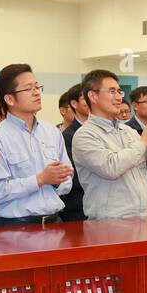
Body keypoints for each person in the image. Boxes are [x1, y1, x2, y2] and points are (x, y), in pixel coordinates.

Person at [0, 64, 74, 226]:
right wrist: (41, 179)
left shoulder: (51, 131)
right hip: (16, 226)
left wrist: (56, 181)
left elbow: (68, 179)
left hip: (54, 222)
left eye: (37, 87)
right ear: (9, 99)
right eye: (29, 88)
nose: (36, 92)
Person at [70, 69, 147, 220]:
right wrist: (144, 141)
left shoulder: (128, 131)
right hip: (109, 222)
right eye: (112, 91)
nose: (119, 98)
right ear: (93, 96)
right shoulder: (85, 135)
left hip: (143, 216)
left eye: (119, 92)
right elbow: (111, 168)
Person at [59, 83, 88, 222]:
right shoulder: (68, 136)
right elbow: (73, 176)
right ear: (74, 104)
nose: (90, 100)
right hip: (78, 207)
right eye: (85, 97)